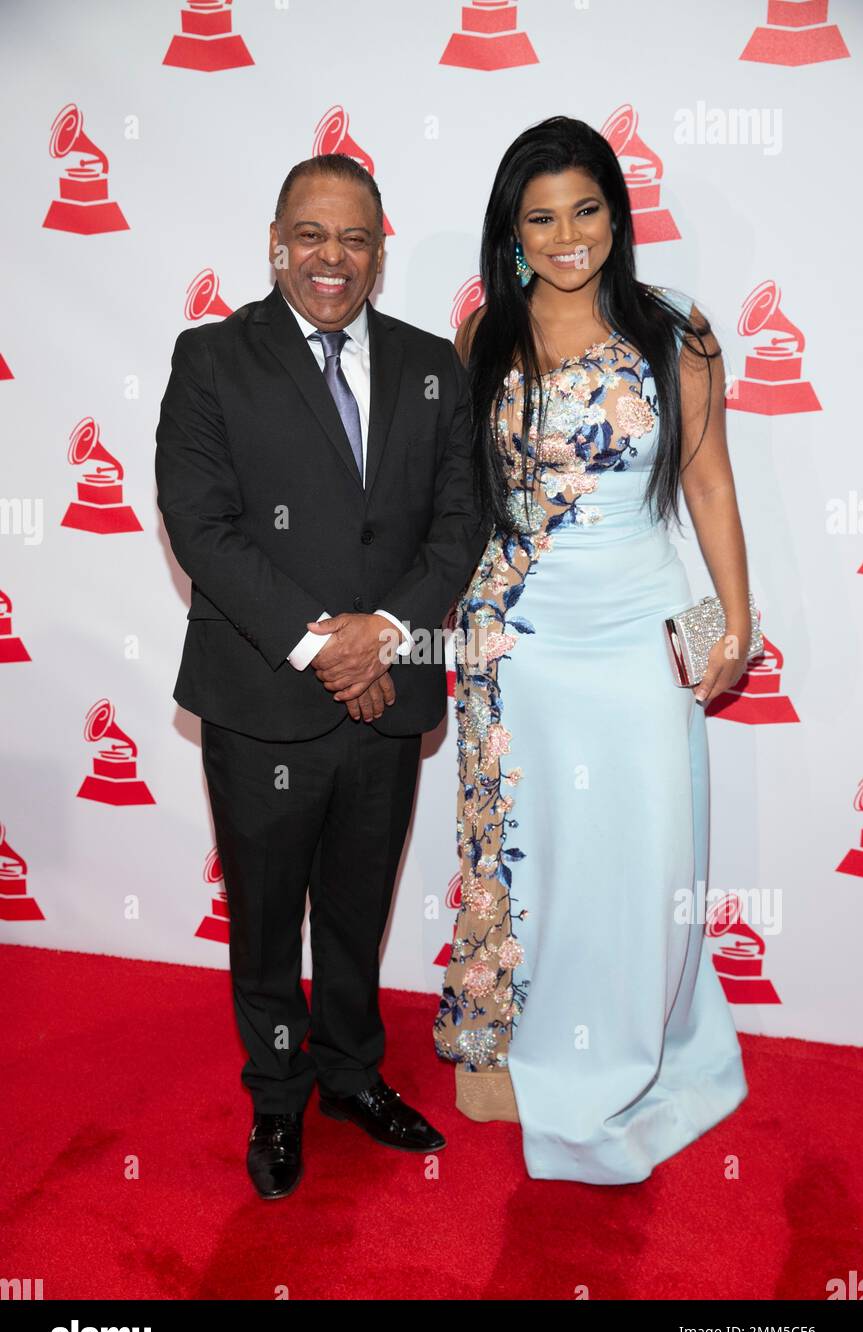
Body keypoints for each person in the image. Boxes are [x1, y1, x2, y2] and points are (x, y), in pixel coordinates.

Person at [156, 153, 487, 1199]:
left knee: (356, 907)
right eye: (310, 234)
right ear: (274, 240)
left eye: (353, 238)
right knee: (264, 918)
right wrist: (320, 643)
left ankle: (350, 1073)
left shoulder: (433, 364)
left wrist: (382, 632)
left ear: (379, 251)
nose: (329, 257)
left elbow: (459, 519)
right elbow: (200, 525)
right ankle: (277, 1094)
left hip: (387, 695)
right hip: (263, 696)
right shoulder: (211, 357)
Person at [434, 116, 751, 1184]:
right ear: (512, 230)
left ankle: (636, 1045)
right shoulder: (486, 335)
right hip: (515, 638)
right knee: (535, 856)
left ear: (615, 214)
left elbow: (705, 484)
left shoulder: (676, 331)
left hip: (636, 628)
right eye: (541, 216)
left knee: (645, 851)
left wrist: (733, 620)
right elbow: (468, 505)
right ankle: (522, 1052)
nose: (567, 235)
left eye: (585, 210)